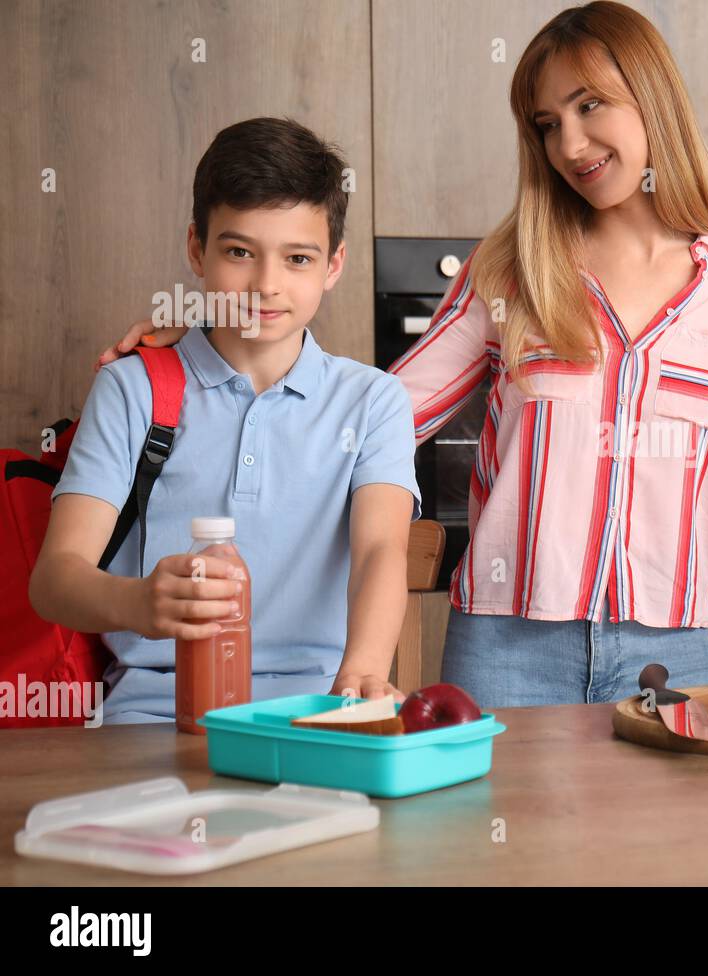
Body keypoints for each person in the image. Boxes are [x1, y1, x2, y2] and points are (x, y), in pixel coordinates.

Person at [96, 3, 708, 708]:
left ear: (654, 99)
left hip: (673, 650)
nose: (570, 144)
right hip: (504, 651)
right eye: (546, 123)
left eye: (589, 106)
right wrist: (225, 332)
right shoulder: (510, 269)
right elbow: (374, 418)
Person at [32, 118, 421, 723]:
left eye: (297, 258)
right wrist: (138, 602)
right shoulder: (131, 387)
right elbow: (54, 580)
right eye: (240, 252)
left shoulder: (374, 401)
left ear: (334, 265)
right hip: (154, 718)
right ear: (197, 248)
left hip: (318, 712)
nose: (266, 285)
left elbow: (380, 549)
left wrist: (365, 668)